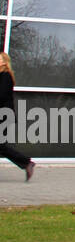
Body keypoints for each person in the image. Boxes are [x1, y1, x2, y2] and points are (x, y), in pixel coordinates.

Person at [0, 52, 34, 181]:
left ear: (4, 62)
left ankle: (26, 162)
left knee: (1, 146)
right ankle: (26, 163)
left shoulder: (6, 76)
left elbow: (2, 96)